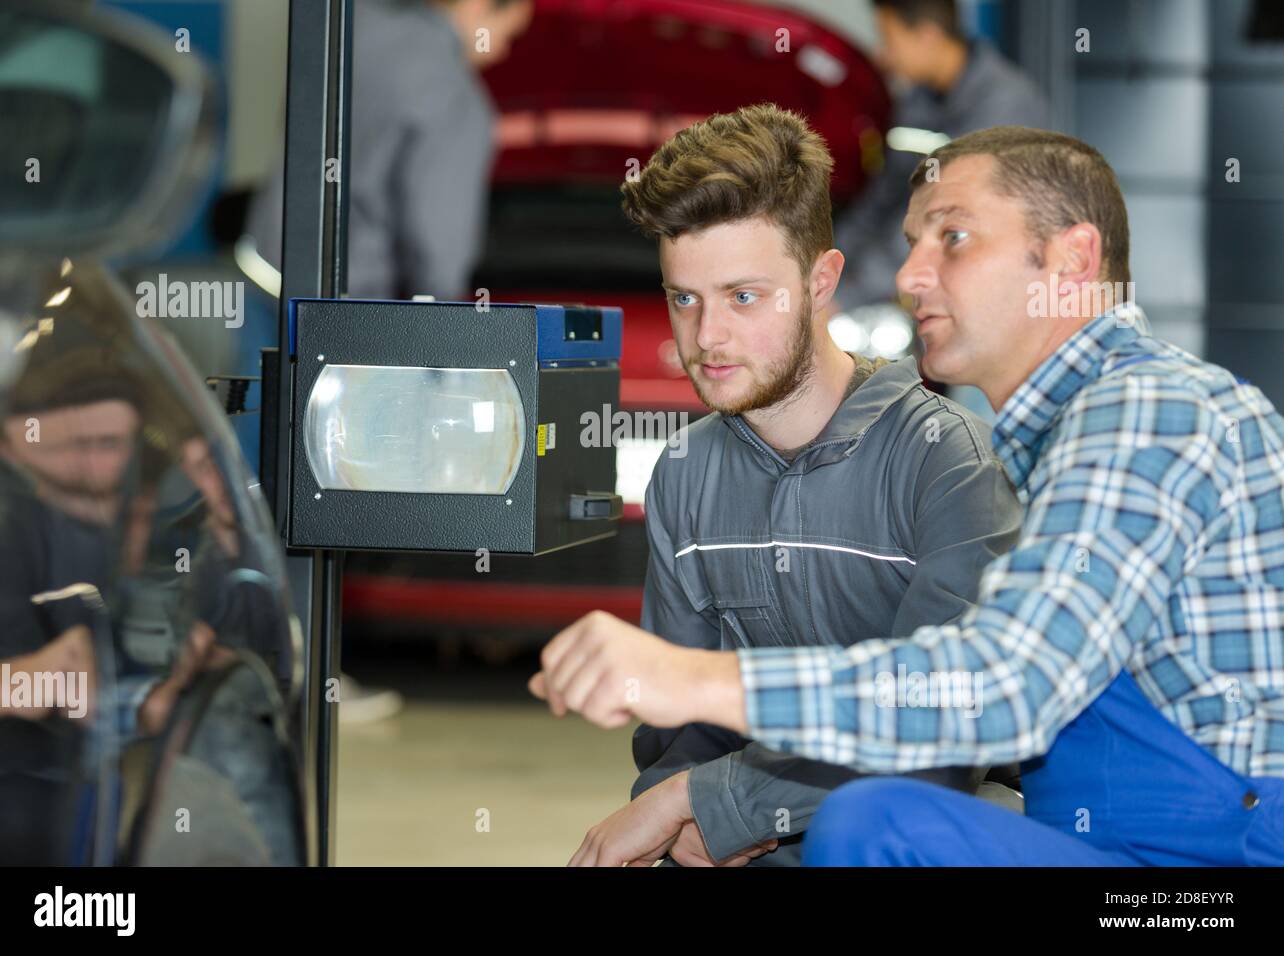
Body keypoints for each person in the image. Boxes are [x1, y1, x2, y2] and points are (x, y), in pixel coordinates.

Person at [531, 125, 1284, 867]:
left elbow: (999, 688)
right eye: (914, 241)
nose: (908, 275)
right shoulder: (1062, 440)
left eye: (952, 239)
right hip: (1109, 847)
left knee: (882, 824)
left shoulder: (1146, 412)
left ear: (1071, 260)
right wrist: (681, 805)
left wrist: (693, 693)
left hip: (1212, 867)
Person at [563, 104, 1023, 867]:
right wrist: (673, 812)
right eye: (685, 298)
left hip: (920, 833)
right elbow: (683, 730)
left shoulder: (951, 463)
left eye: (744, 297)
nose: (706, 337)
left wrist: (711, 802)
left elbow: (937, 725)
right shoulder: (686, 475)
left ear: (821, 280)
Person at [245, 0, 534, 300]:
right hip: (339, 313)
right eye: (508, 34)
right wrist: (444, 327)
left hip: (262, 273)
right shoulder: (455, 97)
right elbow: (436, 245)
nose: (502, 51)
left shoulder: (352, 25)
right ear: (479, 6)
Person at [834, 0, 1047, 311]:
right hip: (926, 283)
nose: (883, 56)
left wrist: (848, 296)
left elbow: (942, 215)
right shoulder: (915, 103)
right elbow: (882, 198)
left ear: (927, 36)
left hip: (996, 300)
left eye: (890, 40)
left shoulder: (1004, 107)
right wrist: (826, 261)